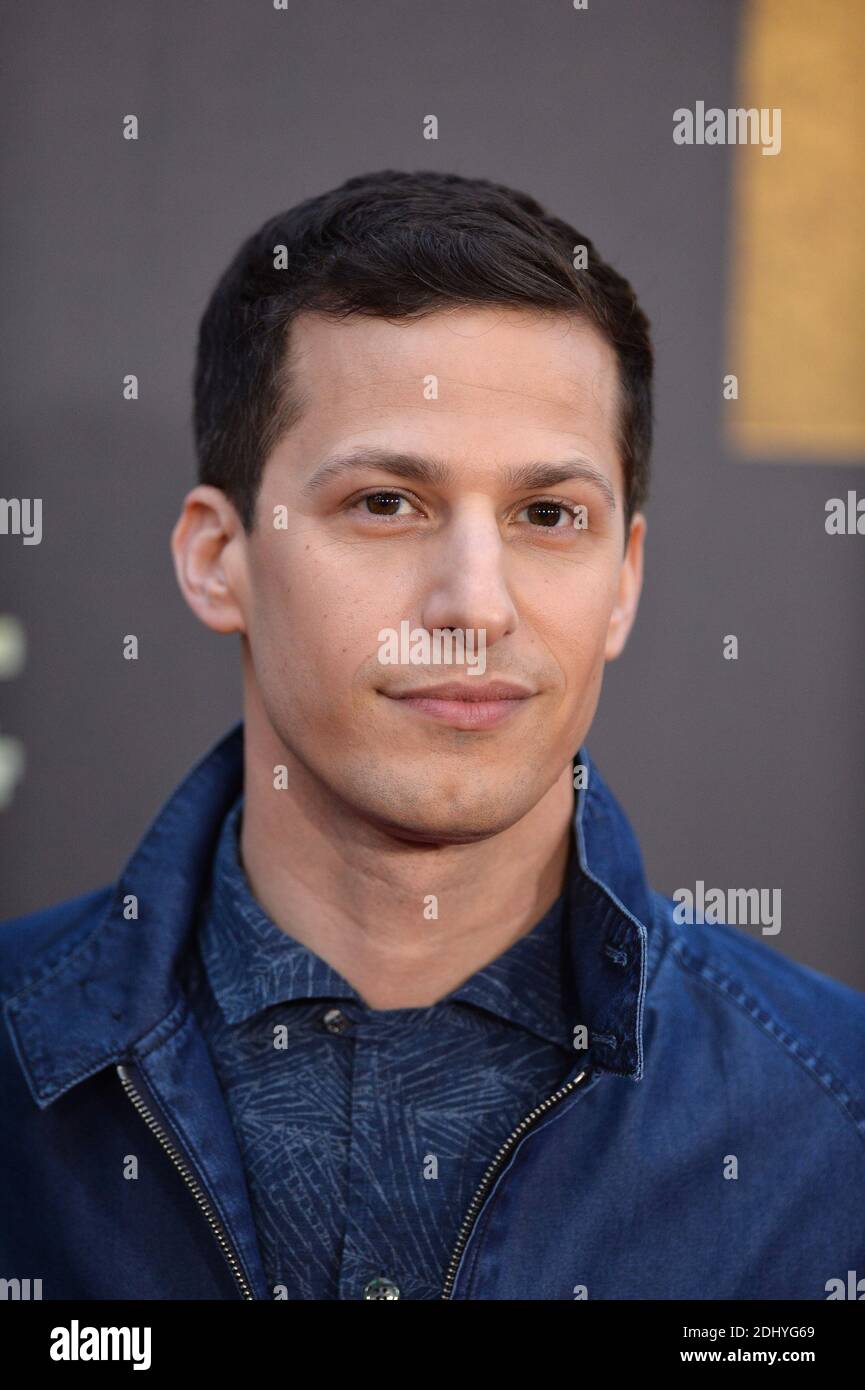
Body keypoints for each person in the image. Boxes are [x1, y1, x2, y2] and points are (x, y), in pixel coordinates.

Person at [1, 170, 863, 1301]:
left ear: (624, 582)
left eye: (547, 516)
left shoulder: (833, 1112)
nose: (475, 604)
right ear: (219, 558)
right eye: (384, 503)